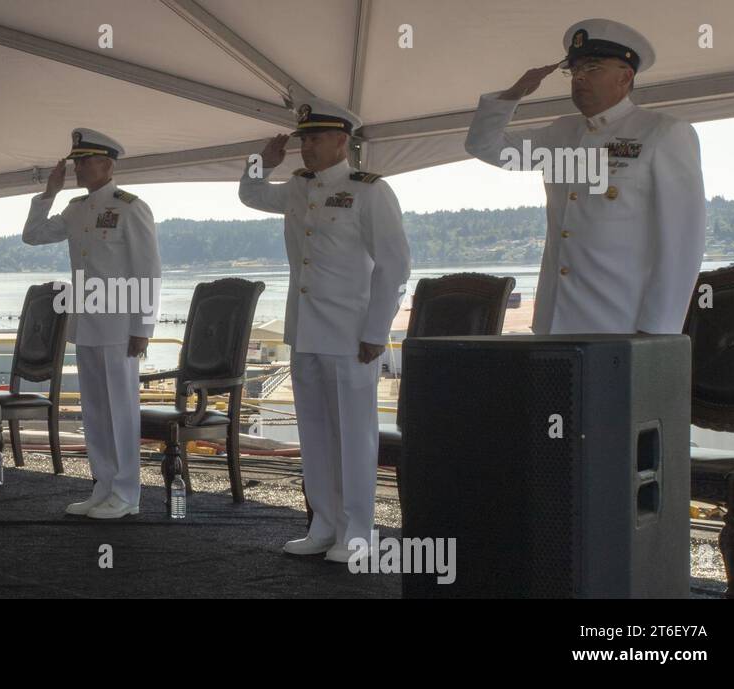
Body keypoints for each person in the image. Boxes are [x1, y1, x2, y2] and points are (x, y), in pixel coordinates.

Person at [239, 98, 410, 560]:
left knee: (355, 434)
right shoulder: (297, 187)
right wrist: (262, 163)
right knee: (315, 433)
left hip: (352, 335)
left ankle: (358, 531)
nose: (306, 147)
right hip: (306, 332)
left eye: (314, 138)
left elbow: (393, 266)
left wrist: (377, 331)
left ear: (342, 140)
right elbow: (251, 195)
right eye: (302, 140)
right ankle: (324, 525)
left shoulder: (369, 191)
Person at [465, 18, 706, 335]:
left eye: (592, 68)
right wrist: (513, 94)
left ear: (625, 76)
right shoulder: (561, 133)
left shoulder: (663, 133)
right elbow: (484, 146)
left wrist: (658, 332)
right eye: (574, 71)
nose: (579, 78)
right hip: (554, 325)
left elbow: (683, 242)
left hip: (621, 327)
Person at [23, 128, 161, 519]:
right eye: (76, 161)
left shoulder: (131, 207)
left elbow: (148, 270)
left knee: (121, 410)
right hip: (86, 324)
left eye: (84, 161)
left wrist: (143, 328)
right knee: (95, 411)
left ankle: (127, 493)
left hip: (120, 325)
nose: (78, 167)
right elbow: (32, 235)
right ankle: (103, 485)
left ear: (107, 164)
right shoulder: (75, 209)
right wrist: (48, 193)